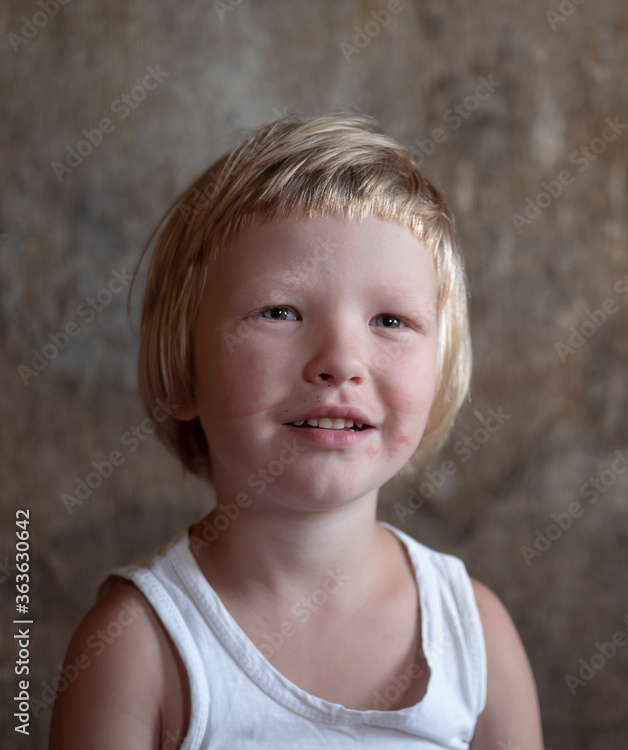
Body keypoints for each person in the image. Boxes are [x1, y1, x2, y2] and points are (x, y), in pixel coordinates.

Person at [50, 113, 544, 749]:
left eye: (390, 321)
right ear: (185, 370)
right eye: (279, 311)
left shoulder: (475, 636)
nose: (341, 360)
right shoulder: (136, 649)